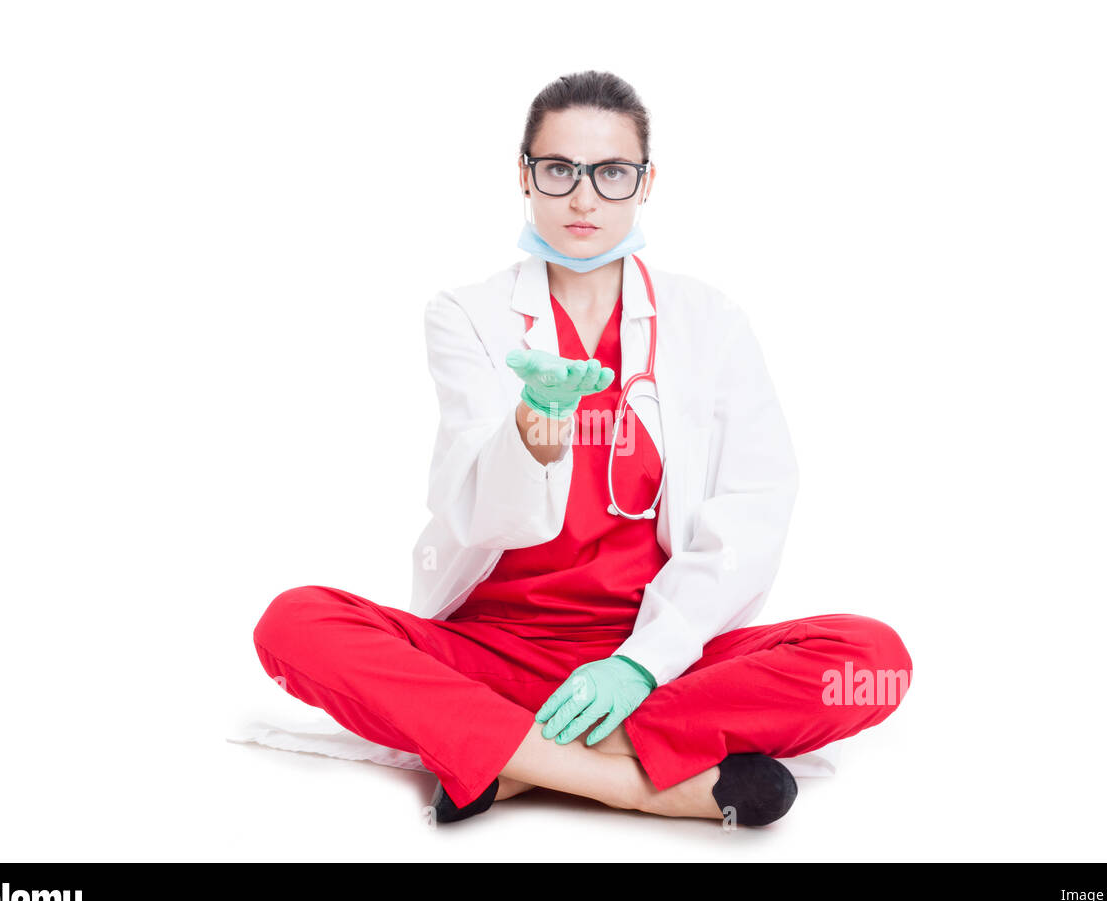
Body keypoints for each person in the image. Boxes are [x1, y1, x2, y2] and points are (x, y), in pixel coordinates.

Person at [252, 70, 913, 827]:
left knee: (874, 660)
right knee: (293, 623)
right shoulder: (467, 315)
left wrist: (639, 663)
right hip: (492, 653)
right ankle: (630, 782)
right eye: (559, 169)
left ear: (646, 182)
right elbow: (478, 514)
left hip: (659, 656)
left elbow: (753, 512)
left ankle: (507, 759)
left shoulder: (710, 322)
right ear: (524, 175)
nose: (584, 198)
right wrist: (533, 428)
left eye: (611, 172)